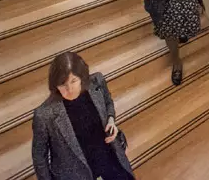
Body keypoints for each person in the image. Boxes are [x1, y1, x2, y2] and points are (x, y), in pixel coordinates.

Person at [31, 52, 135, 180]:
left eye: (73, 81)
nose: (69, 89)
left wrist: (111, 120)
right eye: (63, 84)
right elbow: (39, 157)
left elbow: (108, 102)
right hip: (75, 174)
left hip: (109, 159)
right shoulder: (44, 115)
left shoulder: (96, 82)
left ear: (82, 77)